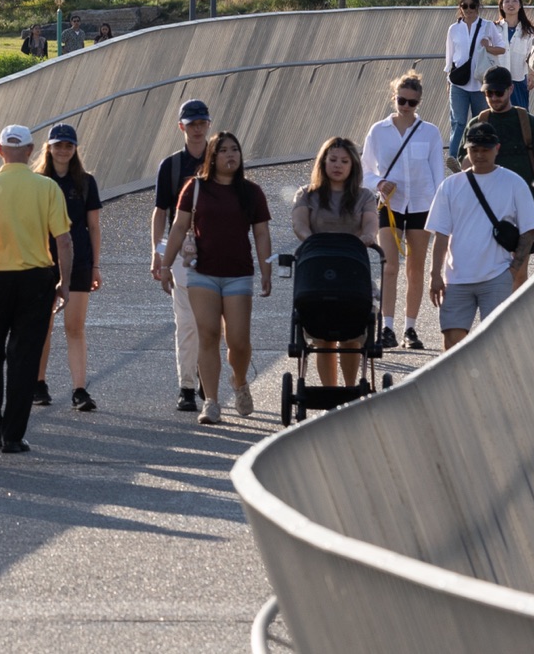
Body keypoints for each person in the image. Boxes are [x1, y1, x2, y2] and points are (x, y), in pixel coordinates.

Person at [0, 126, 71, 452]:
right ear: (30, 150)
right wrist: (64, 282)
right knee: (24, 357)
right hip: (35, 278)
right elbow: (63, 241)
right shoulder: (47, 187)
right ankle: (13, 434)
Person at [155, 130, 273, 425]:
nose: (231, 155)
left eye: (235, 150)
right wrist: (166, 265)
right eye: (224, 150)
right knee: (207, 334)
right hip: (202, 272)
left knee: (238, 340)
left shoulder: (251, 192)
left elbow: (261, 233)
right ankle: (211, 401)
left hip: (238, 275)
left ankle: (240, 380)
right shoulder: (194, 188)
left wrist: (266, 269)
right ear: (212, 156)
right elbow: (179, 228)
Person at [426, 122, 534, 348]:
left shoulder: (513, 182)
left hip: (496, 276)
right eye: (474, 149)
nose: (479, 155)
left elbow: (529, 230)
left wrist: (514, 270)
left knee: (497, 343)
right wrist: (434, 274)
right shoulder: (450, 186)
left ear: (497, 148)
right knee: (452, 343)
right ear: (466, 150)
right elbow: (440, 235)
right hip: (457, 278)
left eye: (485, 149)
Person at [290, 138, 381, 387]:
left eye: (344, 161)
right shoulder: (307, 194)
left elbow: (371, 224)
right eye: (332, 160)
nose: (338, 166)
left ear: (353, 166)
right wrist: (313, 241)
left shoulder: (364, 196)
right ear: (323, 162)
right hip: (318, 271)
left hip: (351, 270)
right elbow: (300, 225)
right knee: (323, 339)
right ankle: (329, 391)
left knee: (351, 338)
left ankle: (350, 389)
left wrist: (367, 237)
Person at [362, 72, 443, 350]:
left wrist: (440, 210)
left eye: (412, 103)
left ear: (419, 102)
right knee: (390, 266)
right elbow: (365, 171)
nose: (406, 106)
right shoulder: (378, 131)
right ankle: (387, 327)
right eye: (401, 100)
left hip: (421, 204)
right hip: (390, 205)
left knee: (415, 268)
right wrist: (379, 183)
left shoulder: (430, 132)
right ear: (393, 98)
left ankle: (410, 328)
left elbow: (437, 175)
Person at [35, 125, 101, 412]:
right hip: (42, 261)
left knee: (75, 327)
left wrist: (96, 266)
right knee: (43, 326)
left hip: (80, 261)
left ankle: (79, 389)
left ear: (75, 149)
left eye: (68, 146)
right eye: (58, 145)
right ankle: (38, 383)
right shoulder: (37, 181)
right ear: (48, 148)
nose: (63, 150)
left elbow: (94, 227)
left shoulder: (86, 182)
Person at [152, 99, 211, 412]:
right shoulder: (171, 166)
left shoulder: (223, 161)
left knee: (210, 323)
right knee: (187, 321)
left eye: (202, 124)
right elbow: (160, 211)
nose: (198, 130)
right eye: (192, 125)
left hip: (216, 251)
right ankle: (187, 386)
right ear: (182, 128)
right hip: (182, 251)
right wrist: (158, 252)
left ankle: (206, 373)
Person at [475, 66, 534, 286]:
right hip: (487, 209)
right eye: (488, 93)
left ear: (510, 89)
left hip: (524, 207)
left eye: (498, 92)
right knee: (487, 272)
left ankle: (513, 316)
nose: (493, 98)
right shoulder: (478, 125)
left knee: (517, 271)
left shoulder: (529, 123)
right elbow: (465, 167)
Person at [444, 0, 491, 171]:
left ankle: (479, 158)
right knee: (459, 121)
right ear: (460, 7)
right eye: (464, 5)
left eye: (472, 5)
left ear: (478, 6)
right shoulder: (453, 29)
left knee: (481, 122)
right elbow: (449, 58)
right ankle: (453, 158)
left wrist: (489, 47)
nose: (468, 9)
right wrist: (448, 81)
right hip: (458, 83)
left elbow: (501, 48)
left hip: (480, 84)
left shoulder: (487, 26)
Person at [482, 0, 534, 110]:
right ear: (501, 6)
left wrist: (532, 76)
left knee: (520, 114)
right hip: (497, 79)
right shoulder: (493, 28)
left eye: (514, 1)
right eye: (507, 1)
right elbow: (485, 50)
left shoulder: (528, 31)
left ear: (520, 5)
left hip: (518, 79)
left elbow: (531, 56)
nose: (510, 4)